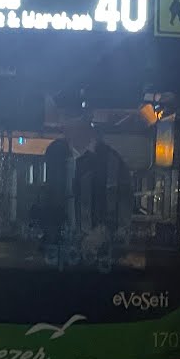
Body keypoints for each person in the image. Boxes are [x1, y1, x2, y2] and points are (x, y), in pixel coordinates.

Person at [32, 92, 133, 254]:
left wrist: (103, 233)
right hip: (59, 256)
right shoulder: (54, 154)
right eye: (62, 117)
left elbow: (123, 210)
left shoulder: (111, 160)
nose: (64, 124)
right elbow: (49, 198)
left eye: (71, 116)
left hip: (98, 261)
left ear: (87, 117)